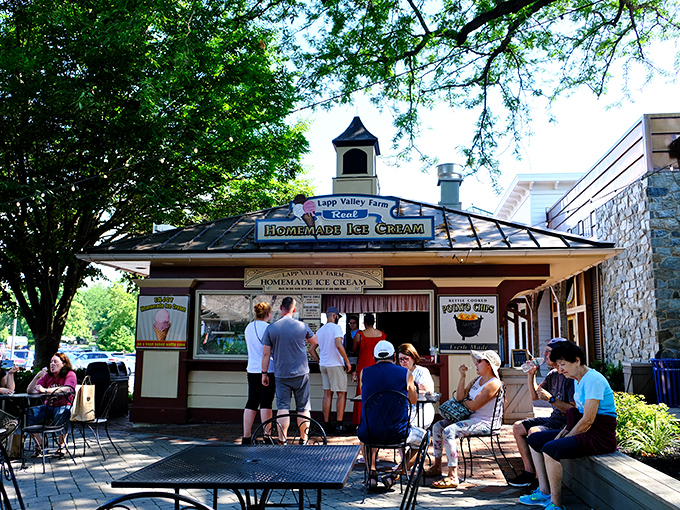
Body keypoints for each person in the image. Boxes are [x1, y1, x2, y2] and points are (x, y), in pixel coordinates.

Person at [519, 341, 617, 510]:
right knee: (534, 439)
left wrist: (566, 437)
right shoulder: (578, 380)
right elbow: (575, 415)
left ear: (577, 361)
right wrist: (564, 432)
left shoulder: (593, 379)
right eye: (558, 365)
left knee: (551, 448)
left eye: (563, 365)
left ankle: (556, 505)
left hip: (600, 436)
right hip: (585, 430)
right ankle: (544, 492)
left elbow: (588, 419)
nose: (560, 369)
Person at [426, 350, 502, 489]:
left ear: (489, 364)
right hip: (471, 419)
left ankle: (453, 476)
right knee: (437, 427)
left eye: (479, 361)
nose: (476, 363)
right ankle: (437, 466)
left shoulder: (494, 384)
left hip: (485, 422)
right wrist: (462, 377)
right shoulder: (476, 380)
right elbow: (460, 397)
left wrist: (465, 401)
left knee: (449, 431)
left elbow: (473, 406)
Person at [508, 338, 575, 488]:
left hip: (564, 422)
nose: (544, 354)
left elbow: (573, 411)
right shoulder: (553, 374)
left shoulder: (569, 377)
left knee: (534, 431)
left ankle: (540, 481)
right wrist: (531, 375)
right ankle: (529, 472)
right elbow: (534, 396)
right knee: (518, 427)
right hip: (554, 418)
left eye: (548, 352)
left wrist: (551, 400)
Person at [357, 340, 417, 490]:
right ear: (394, 357)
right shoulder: (406, 373)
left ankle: (372, 473)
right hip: (398, 433)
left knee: (365, 435)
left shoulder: (364, 372)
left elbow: (364, 395)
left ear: (374, 357)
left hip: (370, 433)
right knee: (424, 439)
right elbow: (413, 400)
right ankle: (395, 475)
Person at [261, 297, 318, 438]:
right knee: (303, 408)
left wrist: (264, 373)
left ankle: (282, 439)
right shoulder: (301, 326)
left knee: (282, 408)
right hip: (301, 373)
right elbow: (315, 341)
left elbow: (266, 353)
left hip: (281, 373)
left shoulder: (271, 328)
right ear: (294, 309)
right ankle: (303, 438)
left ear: (281, 308)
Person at [26, 352, 77, 457]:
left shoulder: (70, 374)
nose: (52, 364)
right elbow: (30, 391)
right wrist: (37, 377)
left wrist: (45, 390)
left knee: (63, 412)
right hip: (48, 407)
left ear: (63, 364)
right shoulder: (48, 376)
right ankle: (40, 444)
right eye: (51, 362)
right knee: (27, 414)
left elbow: (68, 388)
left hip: (63, 405)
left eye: (55, 362)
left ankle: (62, 446)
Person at [314, 306, 352, 434]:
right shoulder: (337, 328)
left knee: (327, 394)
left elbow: (311, 349)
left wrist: (319, 360)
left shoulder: (320, 330)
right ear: (335, 316)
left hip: (324, 364)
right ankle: (339, 425)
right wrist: (347, 361)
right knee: (341, 393)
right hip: (335, 364)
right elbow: (338, 344)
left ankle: (326, 424)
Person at [242, 301, 276, 443]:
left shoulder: (248, 328)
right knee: (266, 402)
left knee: (252, 402)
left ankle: (246, 436)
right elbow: (268, 352)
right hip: (267, 369)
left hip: (252, 368)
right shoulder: (269, 328)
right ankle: (267, 435)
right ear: (268, 314)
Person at [352, 313, 386, 425]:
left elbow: (354, 349)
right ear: (374, 322)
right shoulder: (382, 334)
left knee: (361, 390)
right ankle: (377, 417)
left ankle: (360, 420)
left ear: (364, 323)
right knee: (378, 389)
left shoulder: (359, 334)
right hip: (377, 362)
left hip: (364, 363)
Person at [397, 343, 435, 428]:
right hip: (403, 409)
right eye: (400, 359)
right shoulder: (398, 373)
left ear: (413, 358)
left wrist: (409, 391)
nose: (403, 362)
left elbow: (428, 390)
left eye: (406, 359)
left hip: (421, 409)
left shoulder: (422, 372)